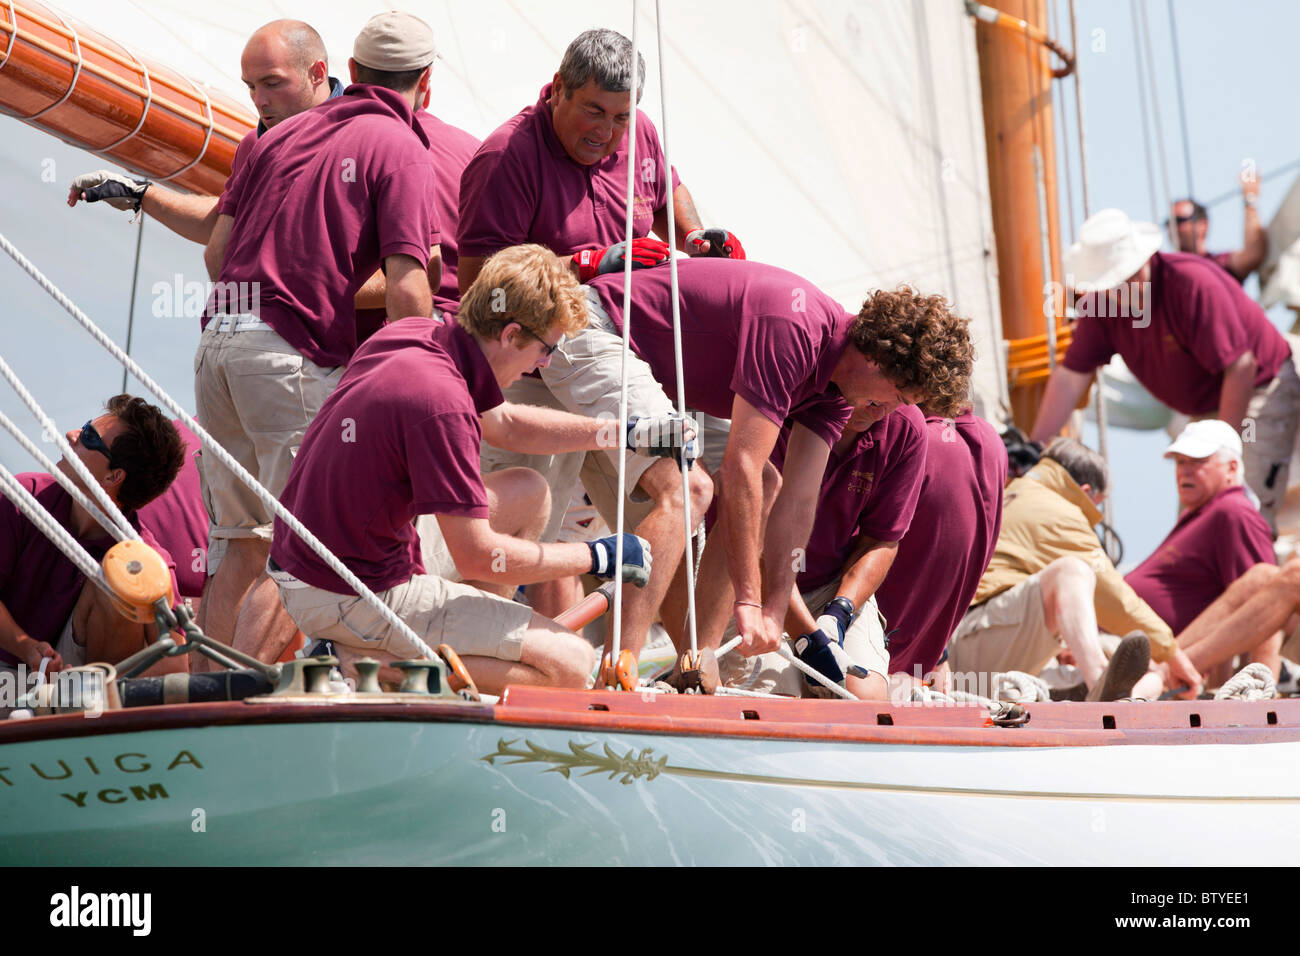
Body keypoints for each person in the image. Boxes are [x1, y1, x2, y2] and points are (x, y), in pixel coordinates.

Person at [268, 245, 682, 695]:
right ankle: (357, 662)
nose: (543, 364)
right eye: (546, 350)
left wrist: (621, 432)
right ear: (509, 335)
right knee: (572, 668)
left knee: (529, 490)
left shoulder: (412, 333)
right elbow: (479, 557)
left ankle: (467, 651)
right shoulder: (442, 405)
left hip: (310, 566)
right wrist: (600, 557)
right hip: (354, 594)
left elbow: (506, 425)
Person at [571, 260, 973, 680]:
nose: (890, 411)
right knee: (691, 489)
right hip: (595, 330)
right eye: (896, 395)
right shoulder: (795, 328)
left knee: (766, 482)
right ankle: (619, 673)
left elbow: (797, 500)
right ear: (877, 358)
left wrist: (775, 612)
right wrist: (748, 600)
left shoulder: (836, 394)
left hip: (633, 370)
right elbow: (740, 466)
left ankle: (694, 665)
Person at [460, 28, 745, 617]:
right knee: (511, 541)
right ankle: (460, 669)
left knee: (654, 515)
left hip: (626, 340)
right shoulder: (506, 156)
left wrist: (691, 236)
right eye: (593, 110)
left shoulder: (637, 132)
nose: (607, 131)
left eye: (620, 116)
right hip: (539, 361)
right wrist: (584, 264)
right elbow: (478, 286)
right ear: (557, 90)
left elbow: (668, 188)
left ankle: (652, 672)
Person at [198, 11, 439, 660]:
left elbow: (217, 257)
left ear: (347, 75)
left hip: (218, 346)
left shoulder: (270, 141)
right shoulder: (398, 144)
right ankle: (256, 703)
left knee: (236, 545)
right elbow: (410, 287)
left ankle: (205, 701)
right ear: (428, 84)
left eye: (268, 84)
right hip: (284, 360)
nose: (257, 101)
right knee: (310, 539)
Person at [1031, 208, 1300, 533]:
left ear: (1146, 258)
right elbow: (1070, 378)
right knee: (1200, 524)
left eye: (1129, 276)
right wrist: (1033, 451)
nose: (1124, 290)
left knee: (1238, 512)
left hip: (1259, 389)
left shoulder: (1190, 284)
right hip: (1209, 404)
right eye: (1114, 283)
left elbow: (1241, 367)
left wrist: (1222, 449)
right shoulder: (1103, 308)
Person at [947, 438, 1201, 701]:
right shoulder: (1058, 511)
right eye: (1096, 507)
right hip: (977, 642)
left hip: (972, 652)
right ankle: (1100, 688)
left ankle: (1119, 697)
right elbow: (1115, 599)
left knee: (1148, 672)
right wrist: (1172, 653)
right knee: (1072, 572)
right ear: (1086, 491)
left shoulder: (1013, 492)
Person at [716, 404, 928, 700]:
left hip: (830, 587)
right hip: (748, 586)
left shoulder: (906, 425)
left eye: (900, 396)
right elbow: (755, 545)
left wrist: (840, 612)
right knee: (776, 703)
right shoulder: (783, 403)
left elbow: (881, 540)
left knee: (864, 701)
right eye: (878, 398)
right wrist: (810, 639)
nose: (882, 411)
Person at [67, 20, 342, 243]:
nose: (260, 101)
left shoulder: (363, 145)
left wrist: (284, 275)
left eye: (272, 83)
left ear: (317, 73)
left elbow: (384, 279)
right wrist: (140, 193)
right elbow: (223, 225)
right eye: (251, 87)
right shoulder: (254, 145)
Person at [0, 396, 187, 704]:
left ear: (114, 476)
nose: (72, 434)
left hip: (81, 693)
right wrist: (26, 647)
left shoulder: (144, 558)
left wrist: (100, 686)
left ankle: (90, 715)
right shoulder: (24, 497)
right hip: (8, 671)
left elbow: (175, 664)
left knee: (121, 582)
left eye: (88, 437)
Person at [1126, 420, 1279, 685]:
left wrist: (1258, 693)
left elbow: (1266, 605)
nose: (1185, 471)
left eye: (1197, 462)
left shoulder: (1234, 511)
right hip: (1134, 655)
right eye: (1179, 462)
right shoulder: (1204, 513)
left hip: (1148, 666)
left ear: (1232, 468)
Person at [875, 406, 1008, 687]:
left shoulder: (911, 436)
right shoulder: (993, 443)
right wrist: (937, 652)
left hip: (876, 655)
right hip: (915, 659)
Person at [1170, 172, 1267, 283]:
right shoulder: (1165, 275)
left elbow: (1252, 255)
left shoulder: (1218, 265)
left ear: (1203, 225)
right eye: (1168, 223)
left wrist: (1250, 198)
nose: (1172, 228)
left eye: (1179, 221)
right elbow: (1146, 294)